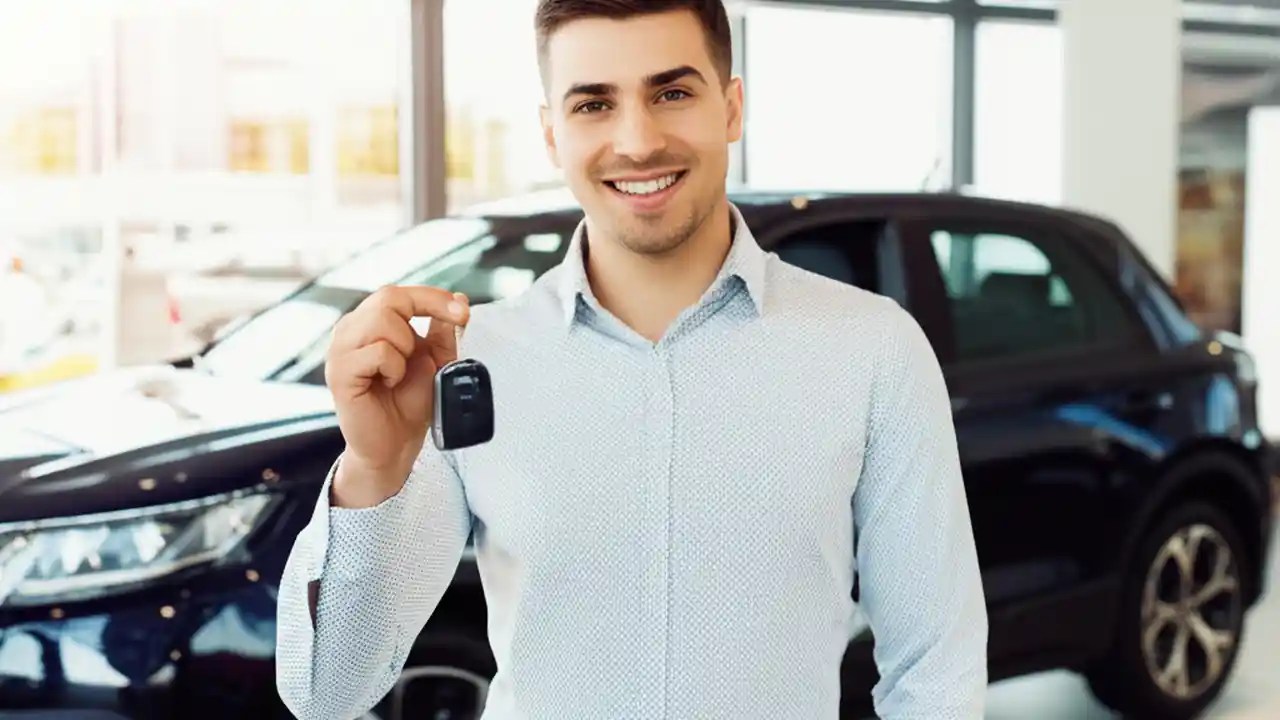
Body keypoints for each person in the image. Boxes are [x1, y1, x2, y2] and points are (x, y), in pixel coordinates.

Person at [275, 1, 987, 718]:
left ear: (731, 108)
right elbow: (328, 694)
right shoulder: (471, 362)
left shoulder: (870, 349)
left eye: (671, 93)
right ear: (553, 133)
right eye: (593, 104)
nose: (637, 141)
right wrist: (374, 472)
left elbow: (936, 668)